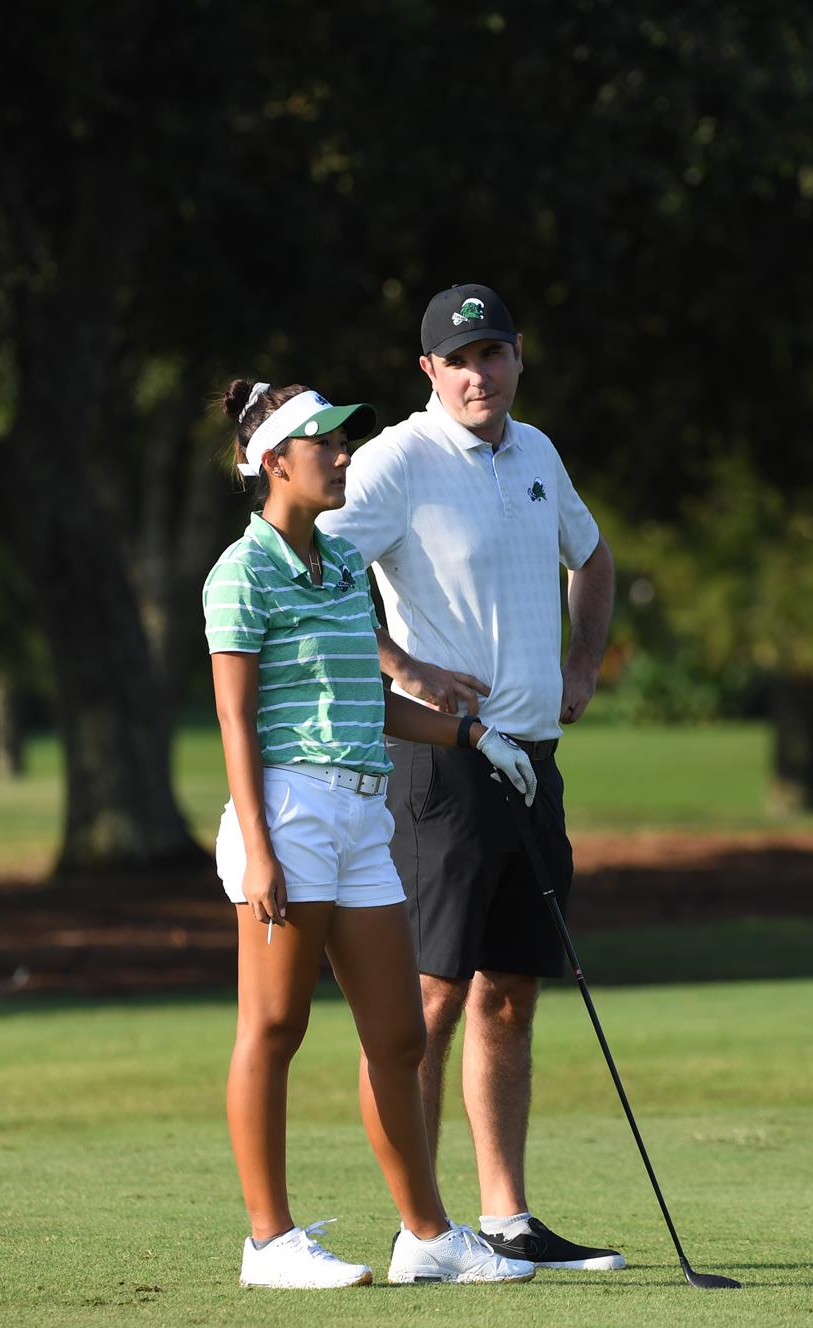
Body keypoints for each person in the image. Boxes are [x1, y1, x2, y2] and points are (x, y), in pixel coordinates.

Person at [202, 378, 545, 1290]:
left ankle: (427, 1235)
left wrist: (474, 735)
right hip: (285, 808)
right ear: (276, 460)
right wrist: (262, 852)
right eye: (328, 444)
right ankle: (268, 1242)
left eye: (346, 442)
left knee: (397, 1037)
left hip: (361, 813)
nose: (345, 455)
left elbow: (372, 701)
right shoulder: (241, 574)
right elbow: (235, 720)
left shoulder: (348, 570)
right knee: (274, 1025)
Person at [317, 285, 624, 1271]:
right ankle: (424, 1230)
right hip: (439, 767)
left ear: (517, 356)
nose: (477, 372)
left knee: (508, 995)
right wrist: (401, 669)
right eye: (459, 358)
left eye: (491, 353)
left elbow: (594, 559)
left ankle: (503, 1220)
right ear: (428, 371)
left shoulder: (535, 452)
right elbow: (312, 574)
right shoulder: (397, 461)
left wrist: (581, 668)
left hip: (532, 761)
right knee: (427, 1003)